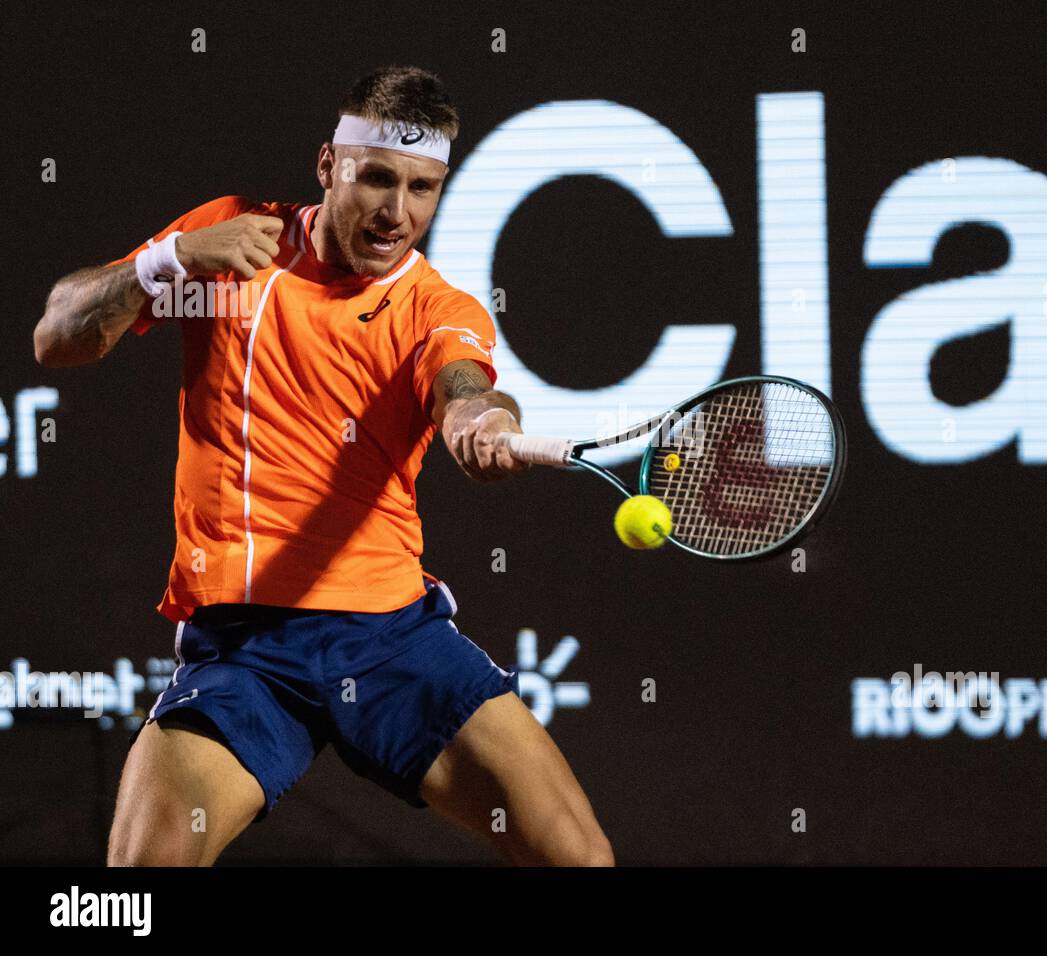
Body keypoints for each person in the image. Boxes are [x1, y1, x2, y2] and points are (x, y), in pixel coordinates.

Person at [33, 65, 614, 867]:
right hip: (242, 648)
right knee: (138, 882)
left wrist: (483, 424)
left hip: (392, 642)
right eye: (377, 178)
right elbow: (56, 336)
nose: (396, 213)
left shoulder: (437, 309)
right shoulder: (233, 241)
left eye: (422, 188)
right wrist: (170, 259)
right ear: (327, 165)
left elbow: (466, 391)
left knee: (578, 859)